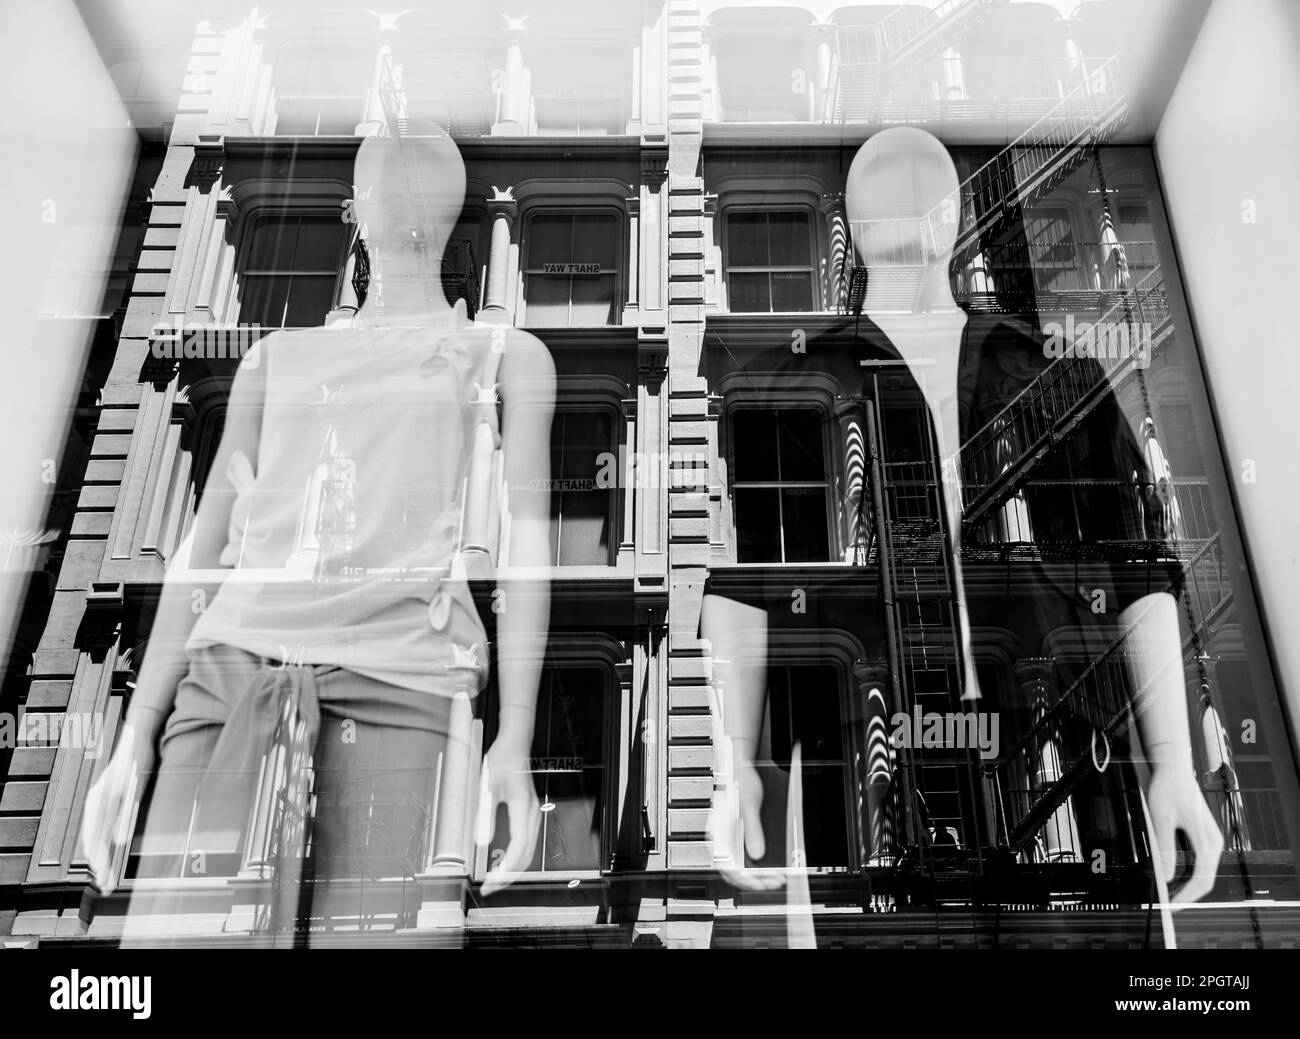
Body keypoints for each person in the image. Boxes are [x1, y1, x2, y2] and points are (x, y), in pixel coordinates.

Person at [706, 126, 1223, 906]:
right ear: (854, 226)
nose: (911, 220)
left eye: (927, 202)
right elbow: (738, 584)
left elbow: (1142, 565)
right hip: (871, 823)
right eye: (888, 204)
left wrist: (1176, 764)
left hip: (1066, 830)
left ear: (954, 222)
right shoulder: (791, 378)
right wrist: (736, 763)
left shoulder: (1063, 368)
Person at [80, 131, 556, 940]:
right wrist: (136, 736)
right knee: (173, 938)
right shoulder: (276, 359)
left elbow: (527, 551)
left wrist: (513, 741)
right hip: (232, 673)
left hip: (401, 675)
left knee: (361, 935)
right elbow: (205, 549)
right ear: (361, 213)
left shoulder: (504, 357)